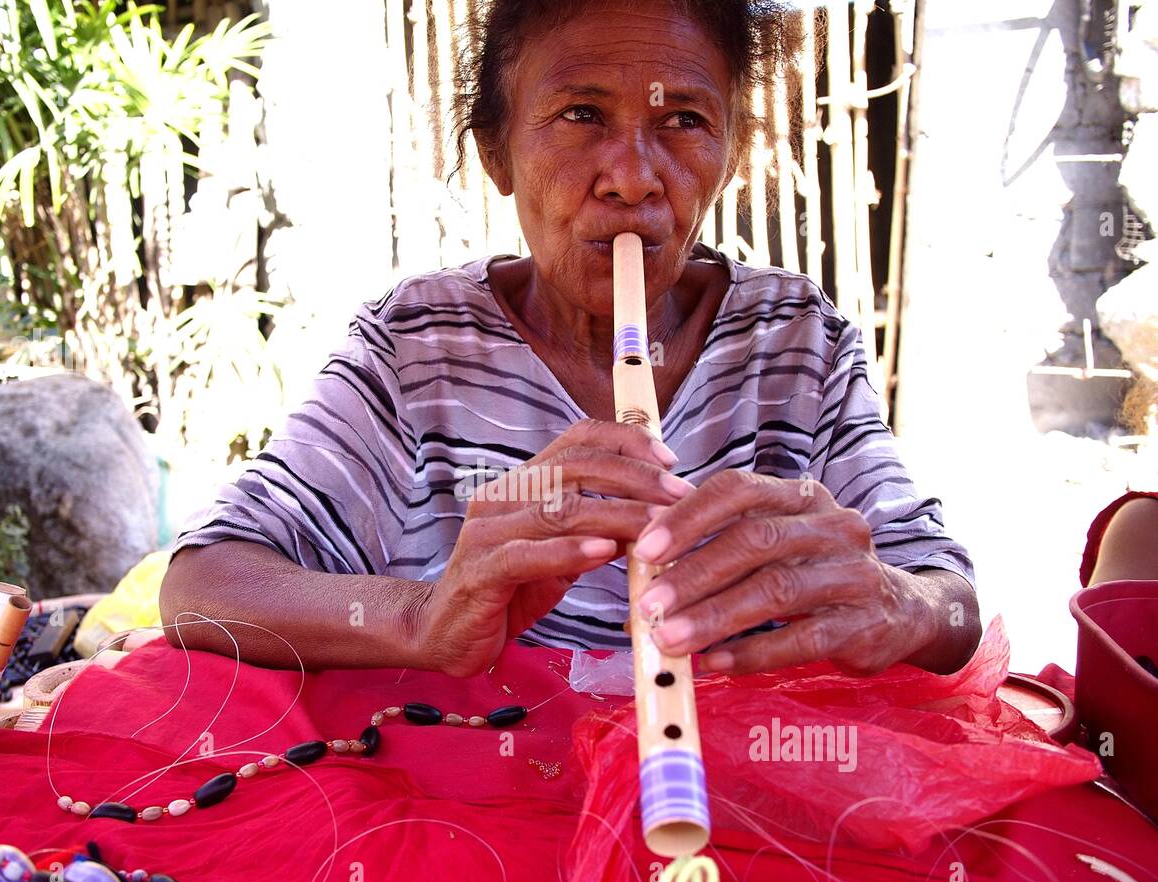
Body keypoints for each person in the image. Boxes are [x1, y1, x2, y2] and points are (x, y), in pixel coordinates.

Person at [161, 0, 981, 678]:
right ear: (498, 152)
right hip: (473, 807)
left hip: (737, 815)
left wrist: (895, 602)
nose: (632, 176)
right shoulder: (418, 347)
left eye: (685, 119)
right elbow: (202, 584)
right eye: (580, 114)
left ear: (729, 155)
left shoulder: (794, 342)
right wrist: (423, 616)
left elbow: (953, 604)